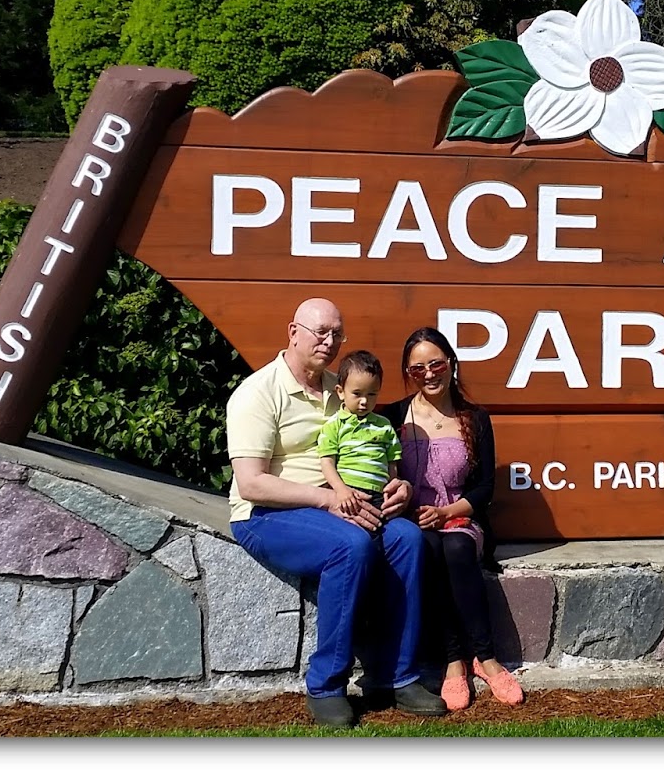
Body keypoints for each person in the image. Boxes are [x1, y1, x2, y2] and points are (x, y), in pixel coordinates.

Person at [223, 298, 447, 728]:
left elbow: (372, 453)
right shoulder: (258, 393)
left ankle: (396, 675)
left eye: (337, 334)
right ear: (293, 332)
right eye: (320, 331)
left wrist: (397, 484)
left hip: (341, 503)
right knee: (350, 546)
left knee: (408, 539)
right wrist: (327, 499)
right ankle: (326, 685)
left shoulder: (341, 387)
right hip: (267, 514)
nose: (329, 341)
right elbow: (251, 483)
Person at [379, 326, 524, 711]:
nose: (428, 374)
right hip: (412, 522)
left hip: (459, 518)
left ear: (451, 364)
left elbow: (484, 490)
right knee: (426, 549)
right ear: (407, 374)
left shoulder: (474, 419)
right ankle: (453, 660)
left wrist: (445, 512)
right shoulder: (392, 416)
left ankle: (487, 658)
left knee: (456, 547)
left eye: (436, 363)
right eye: (417, 369)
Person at [317, 349, 402, 533]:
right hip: (350, 493)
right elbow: (327, 463)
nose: (364, 401)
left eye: (372, 394)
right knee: (363, 535)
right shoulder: (334, 425)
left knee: (383, 534)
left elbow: (392, 462)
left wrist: (391, 485)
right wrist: (341, 490)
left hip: (380, 495)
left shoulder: (384, 426)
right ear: (340, 392)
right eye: (357, 393)